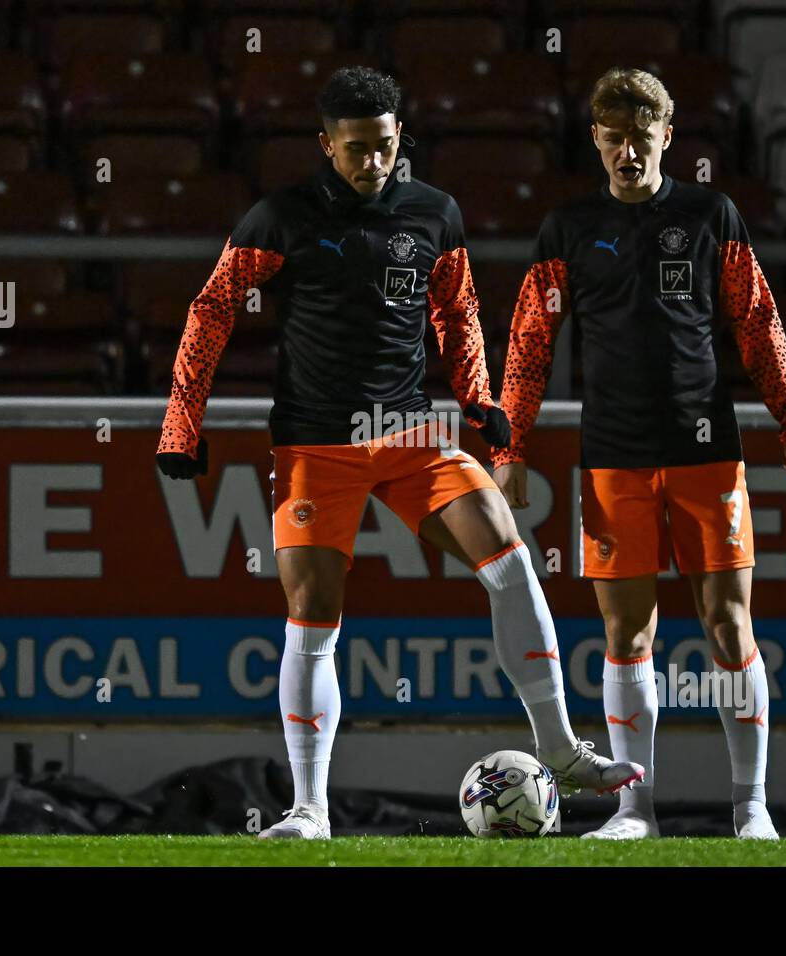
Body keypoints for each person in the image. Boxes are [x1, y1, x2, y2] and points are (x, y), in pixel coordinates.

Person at [157, 66, 644, 840]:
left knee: (511, 559)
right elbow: (212, 307)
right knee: (313, 619)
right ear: (326, 144)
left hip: (413, 432)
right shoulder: (281, 217)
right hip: (318, 441)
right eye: (356, 149)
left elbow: (456, 309)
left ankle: (558, 745)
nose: (373, 163)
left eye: (385, 147)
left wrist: (479, 396)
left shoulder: (433, 213)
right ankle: (310, 809)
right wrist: (182, 423)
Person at [494, 67, 786, 841]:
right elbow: (530, 341)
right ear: (598, 142)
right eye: (614, 139)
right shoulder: (567, 229)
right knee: (626, 636)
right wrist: (511, 439)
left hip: (706, 446)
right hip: (612, 453)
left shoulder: (713, 215)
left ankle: (752, 809)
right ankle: (633, 811)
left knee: (728, 625)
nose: (628, 152)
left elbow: (758, 322)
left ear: (667, 138)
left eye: (642, 138)